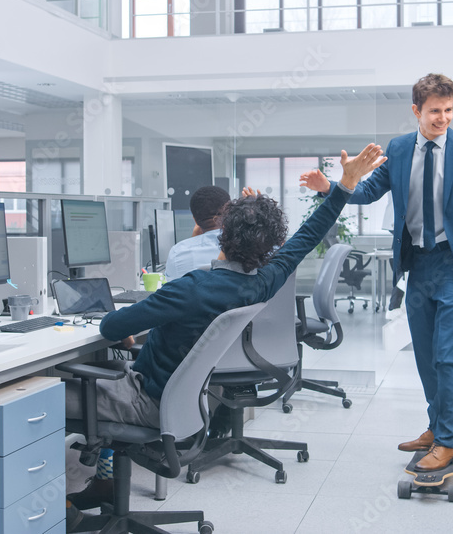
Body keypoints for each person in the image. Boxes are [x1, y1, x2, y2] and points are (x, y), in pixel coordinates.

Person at [63, 144, 387, 526]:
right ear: (270, 245)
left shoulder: (189, 287)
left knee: (41, 397)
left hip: (144, 401)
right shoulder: (264, 281)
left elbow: (109, 327)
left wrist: (131, 337)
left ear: (219, 234)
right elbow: (307, 234)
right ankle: (101, 486)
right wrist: (345, 186)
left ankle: (62, 513)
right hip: (185, 407)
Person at [299, 73, 453, 471]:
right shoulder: (400, 150)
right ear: (416, 111)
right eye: (435, 111)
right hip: (417, 265)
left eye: (449, 110)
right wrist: (329, 185)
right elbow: (367, 191)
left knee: (447, 356)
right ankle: (436, 428)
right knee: (423, 356)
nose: (443, 118)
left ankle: (448, 441)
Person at [164, 185, 230, 280]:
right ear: (229, 215)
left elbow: (172, 289)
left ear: (195, 220)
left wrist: (193, 241)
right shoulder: (245, 250)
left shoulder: (178, 253)